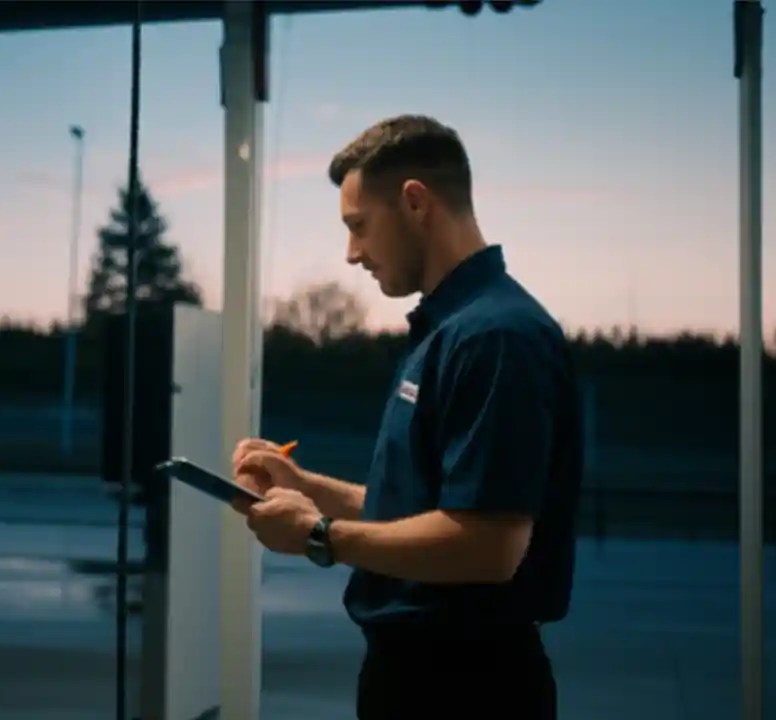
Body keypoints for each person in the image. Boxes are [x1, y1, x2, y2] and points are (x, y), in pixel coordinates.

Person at [231, 115, 583, 719]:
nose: (351, 253)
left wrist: (318, 535)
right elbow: (426, 508)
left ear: (415, 202)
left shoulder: (495, 337)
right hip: (422, 677)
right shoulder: (451, 330)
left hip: (463, 689)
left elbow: (487, 545)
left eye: (358, 226)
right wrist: (307, 489)